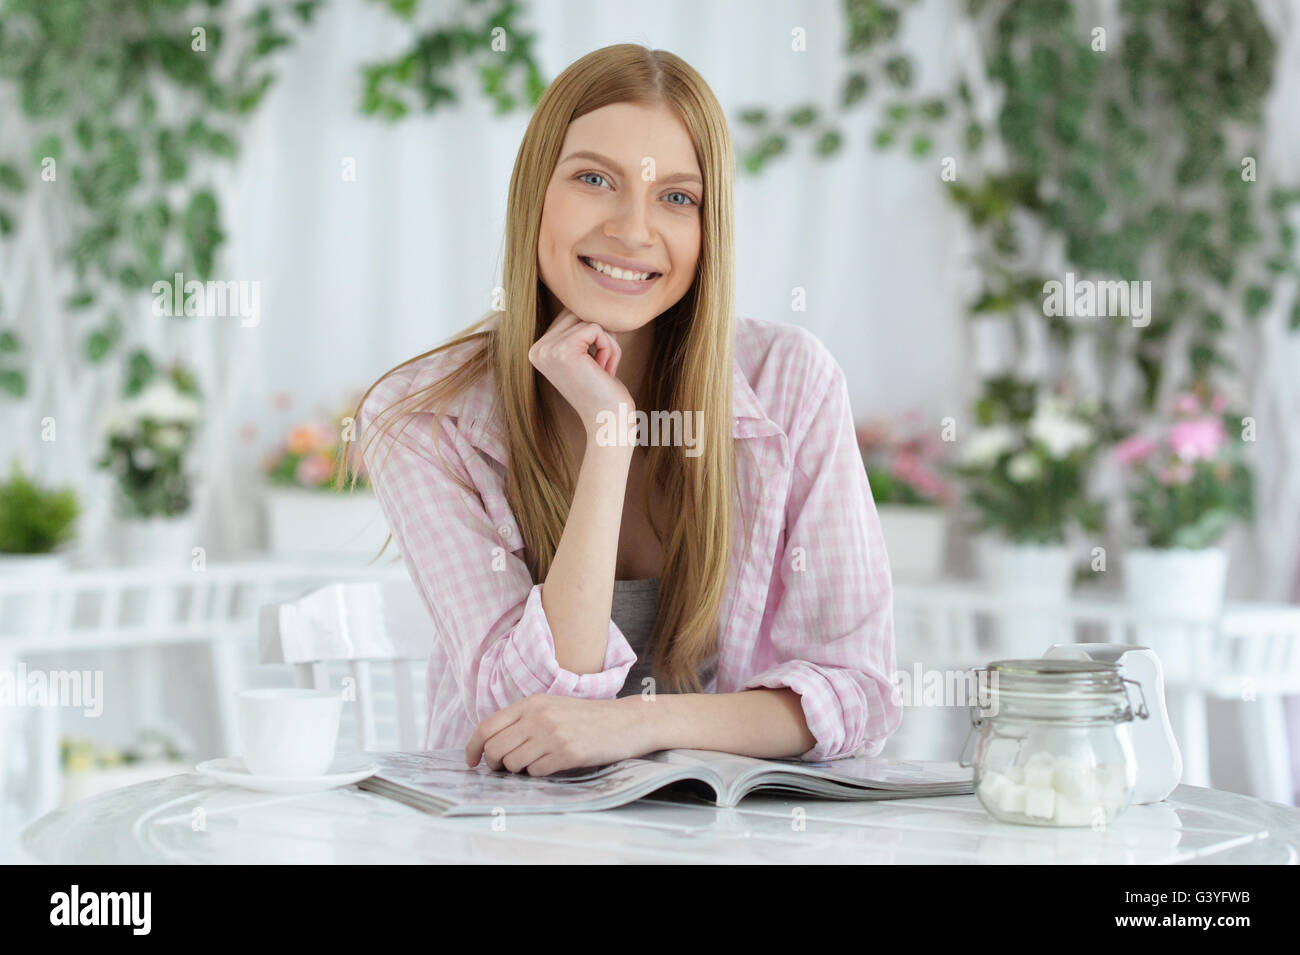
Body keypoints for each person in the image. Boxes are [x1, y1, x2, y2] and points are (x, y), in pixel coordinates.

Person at [340, 43, 900, 777]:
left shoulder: (792, 381)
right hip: (511, 834)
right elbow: (535, 708)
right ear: (536, 190)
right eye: (595, 179)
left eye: (676, 197)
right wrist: (610, 434)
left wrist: (635, 725)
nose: (633, 230)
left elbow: (858, 693)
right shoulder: (424, 419)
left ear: (708, 231)